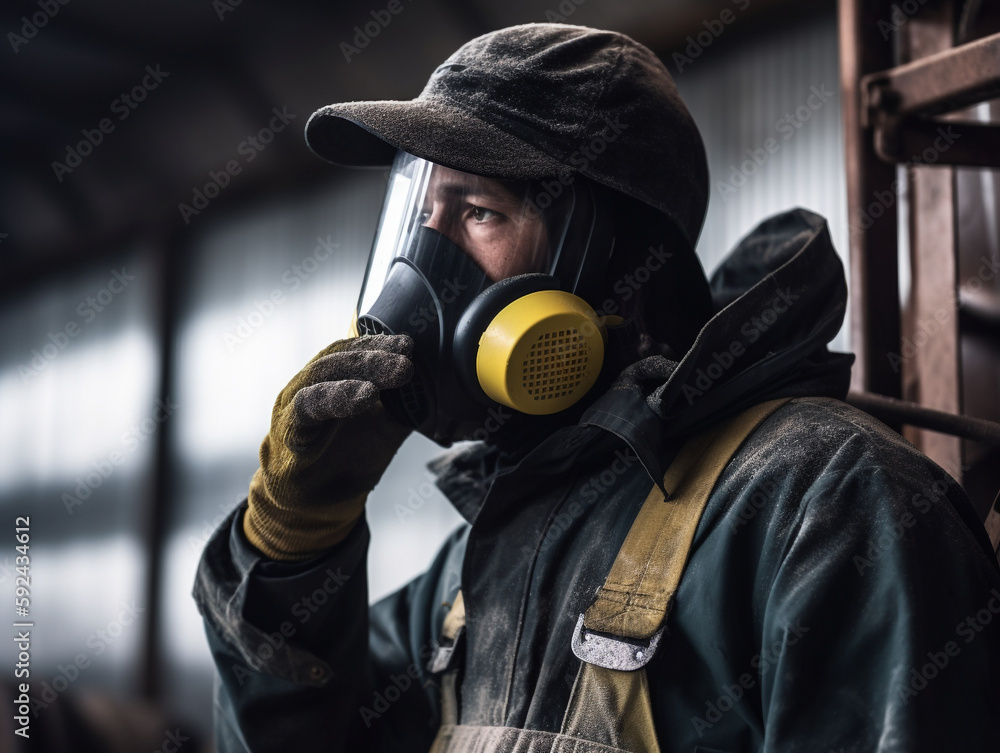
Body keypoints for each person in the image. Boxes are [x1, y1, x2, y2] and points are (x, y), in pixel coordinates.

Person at [192, 22, 1000, 753]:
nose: (422, 270)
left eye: (476, 212)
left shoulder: (824, 507)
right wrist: (292, 545)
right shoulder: (476, 568)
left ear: (614, 265)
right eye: (416, 218)